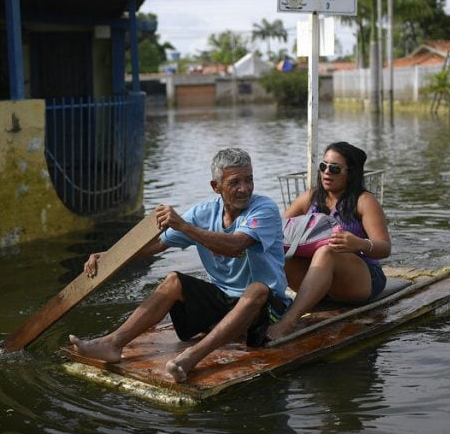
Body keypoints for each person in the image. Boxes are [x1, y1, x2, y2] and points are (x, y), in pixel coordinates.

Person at [69, 148, 290, 383]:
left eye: (249, 180)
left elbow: (236, 245)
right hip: (225, 302)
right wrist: (108, 256)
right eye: (235, 182)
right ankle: (113, 344)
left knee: (258, 288)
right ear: (216, 187)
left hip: (266, 310)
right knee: (173, 280)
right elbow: (156, 246)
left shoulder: (264, 209)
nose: (244, 189)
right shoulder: (203, 213)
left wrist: (185, 227)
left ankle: (190, 357)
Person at [266, 141, 391, 341]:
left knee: (327, 250)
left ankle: (288, 322)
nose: (326, 173)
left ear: (351, 173)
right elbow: (277, 229)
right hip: (321, 282)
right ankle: (262, 307)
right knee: (277, 252)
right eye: (323, 166)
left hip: (361, 279)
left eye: (334, 169)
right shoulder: (310, 197)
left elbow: (384, 248)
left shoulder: (364, 201)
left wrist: (359, 243)